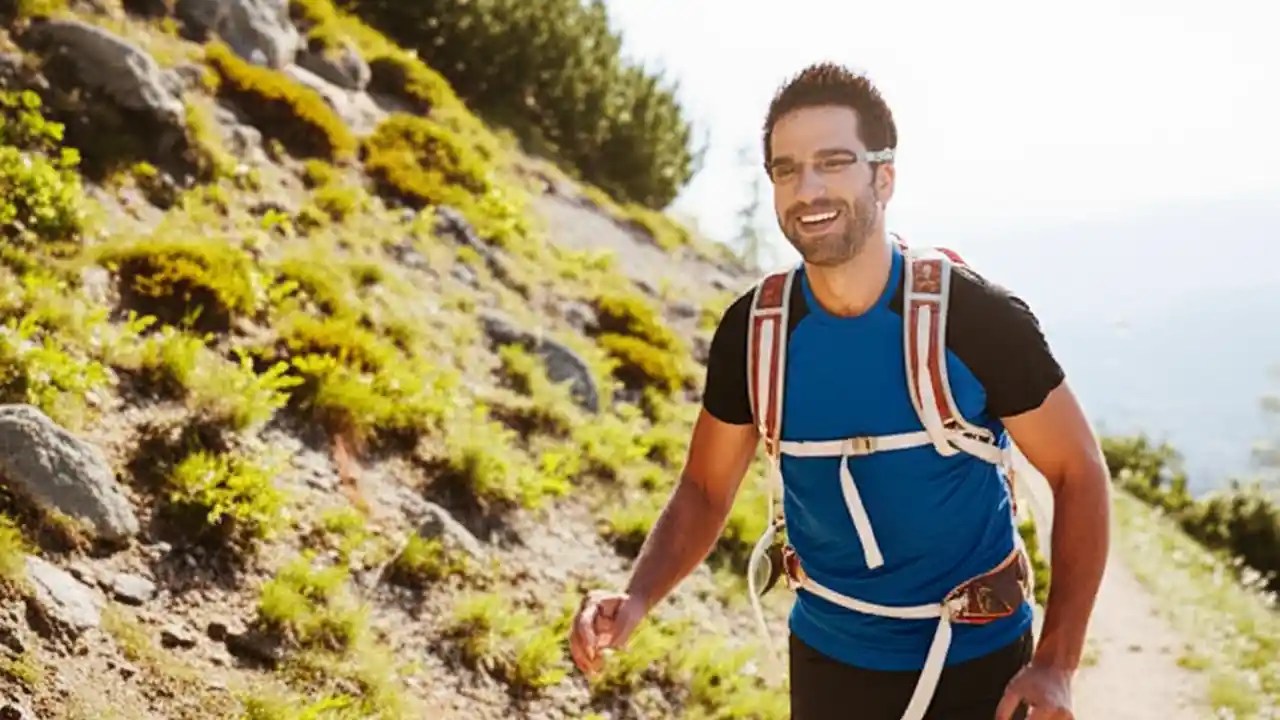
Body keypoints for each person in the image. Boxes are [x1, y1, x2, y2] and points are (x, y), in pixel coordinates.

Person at [568, 61, 1111, 720]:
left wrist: (1055, 663)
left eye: (833, 162)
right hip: (828, 664)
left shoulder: (975, 319)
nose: (808, 189)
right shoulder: (755, 331)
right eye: (786, 169)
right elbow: (706, 489)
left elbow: (1078, 472)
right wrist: (637, 597)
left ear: (884, 177)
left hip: (981, 665)